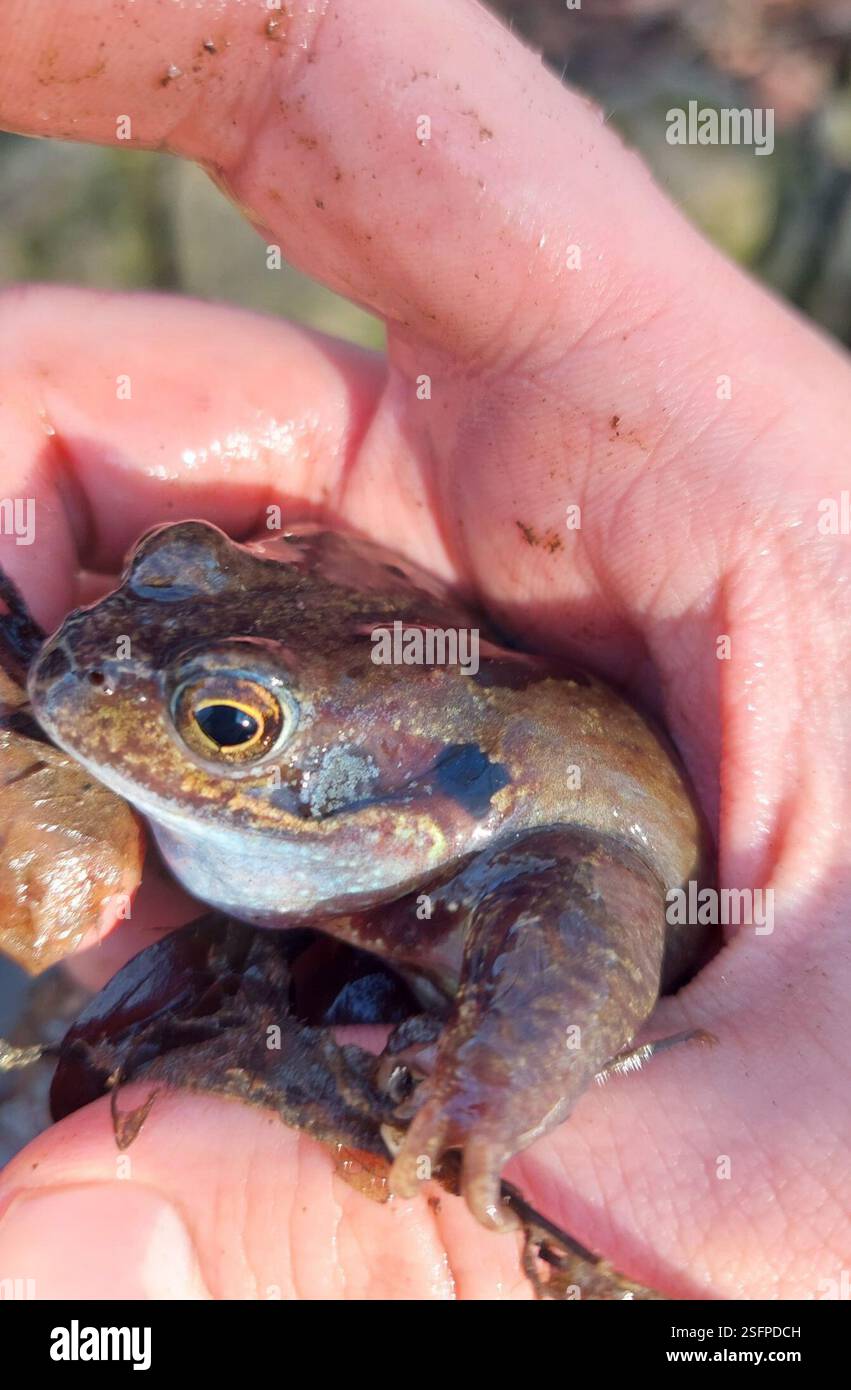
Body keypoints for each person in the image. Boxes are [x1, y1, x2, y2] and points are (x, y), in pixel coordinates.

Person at [0, 0, 847, 1300]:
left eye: (229, 723)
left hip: (590, 858)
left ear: (398, 802)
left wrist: (485, 1092)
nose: (89, 656)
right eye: (168, 566)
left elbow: (601, 899)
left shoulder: (472, 851)